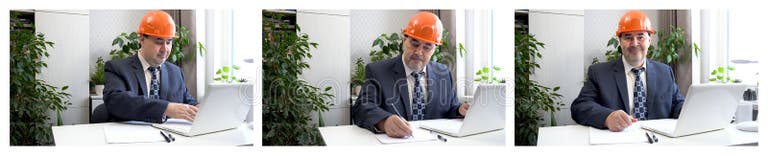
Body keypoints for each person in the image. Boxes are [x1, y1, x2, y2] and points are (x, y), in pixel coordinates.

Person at [352, 12, 470, 138]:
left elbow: (451, 108)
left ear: (434, 49)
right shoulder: (378, 71)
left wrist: (459, 110)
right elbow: (361, 108)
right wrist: (384, 121)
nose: (419, 52)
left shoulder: (443, 73)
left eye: (427, 47)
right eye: (415, 43)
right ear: (404, 41)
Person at [571, 10, 685, 132]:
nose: (634, 43)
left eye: (640, 37)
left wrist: (696, 111)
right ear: (620, 41)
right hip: (618, 142)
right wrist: (607, 117)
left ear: (649, 40)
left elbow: (678, 105)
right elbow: (579, 107)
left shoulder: (665, 72)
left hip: (658, 141)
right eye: (628, 37)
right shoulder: (599, 73)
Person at [104, 10, 198, 123]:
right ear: (142, 40)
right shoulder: (117, 68)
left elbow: (186, 101)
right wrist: (165, 108)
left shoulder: (176, 72)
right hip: (130, 136)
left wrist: (199, 107)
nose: (165, 49)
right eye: (159, 42)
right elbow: (117, 101)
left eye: (168, 42)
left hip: (169, 137)